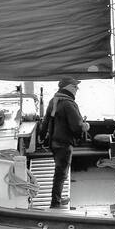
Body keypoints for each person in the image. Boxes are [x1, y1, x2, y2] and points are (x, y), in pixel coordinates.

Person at [38, 78, 87, 208]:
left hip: (53, 143)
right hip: (64, 144)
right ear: (69, 87)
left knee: (59, 171)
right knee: (61, 174)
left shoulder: (53, 100)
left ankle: (57, 197)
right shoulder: (69, 104)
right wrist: (85, 127)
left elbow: (45, 123)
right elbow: (76, 126)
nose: (77, 89)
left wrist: (41, 137)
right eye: (75, 87)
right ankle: (55, 203)